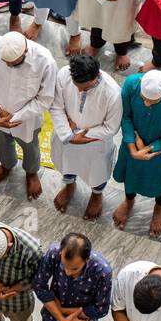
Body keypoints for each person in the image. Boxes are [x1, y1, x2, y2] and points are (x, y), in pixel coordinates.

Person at [112, 68, 161, 235]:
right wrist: (133, 148)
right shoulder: (132, 83)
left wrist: (150, 148)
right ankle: (129, 200)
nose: (147, 103)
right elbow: (126, 117)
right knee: (131, 174)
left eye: (153, 101)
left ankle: (159, 206)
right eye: (144, 99)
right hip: (131, 144)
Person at [0, 30, 56, 197]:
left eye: (13, 63)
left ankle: (31, 172)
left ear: (25, 52)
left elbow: (45, 99)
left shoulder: (45, 61)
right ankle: (6, 165)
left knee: (31, 148)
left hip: (26, 120)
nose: (8, 66)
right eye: (5, 62)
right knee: (0, 143)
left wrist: (16, 116)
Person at [50, 53, 123, 219]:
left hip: (94, 143)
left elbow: (111, 127)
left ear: (97, 75)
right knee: (66, 164)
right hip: (66, 136)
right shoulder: (64, 74)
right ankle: (69, 186)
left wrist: (83, 135)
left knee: (97, 172)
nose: (80, 91)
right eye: (77, 86)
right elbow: (56, 105)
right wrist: (68, 134)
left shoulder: (112, 93)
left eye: (85, 88)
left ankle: (97, 194)